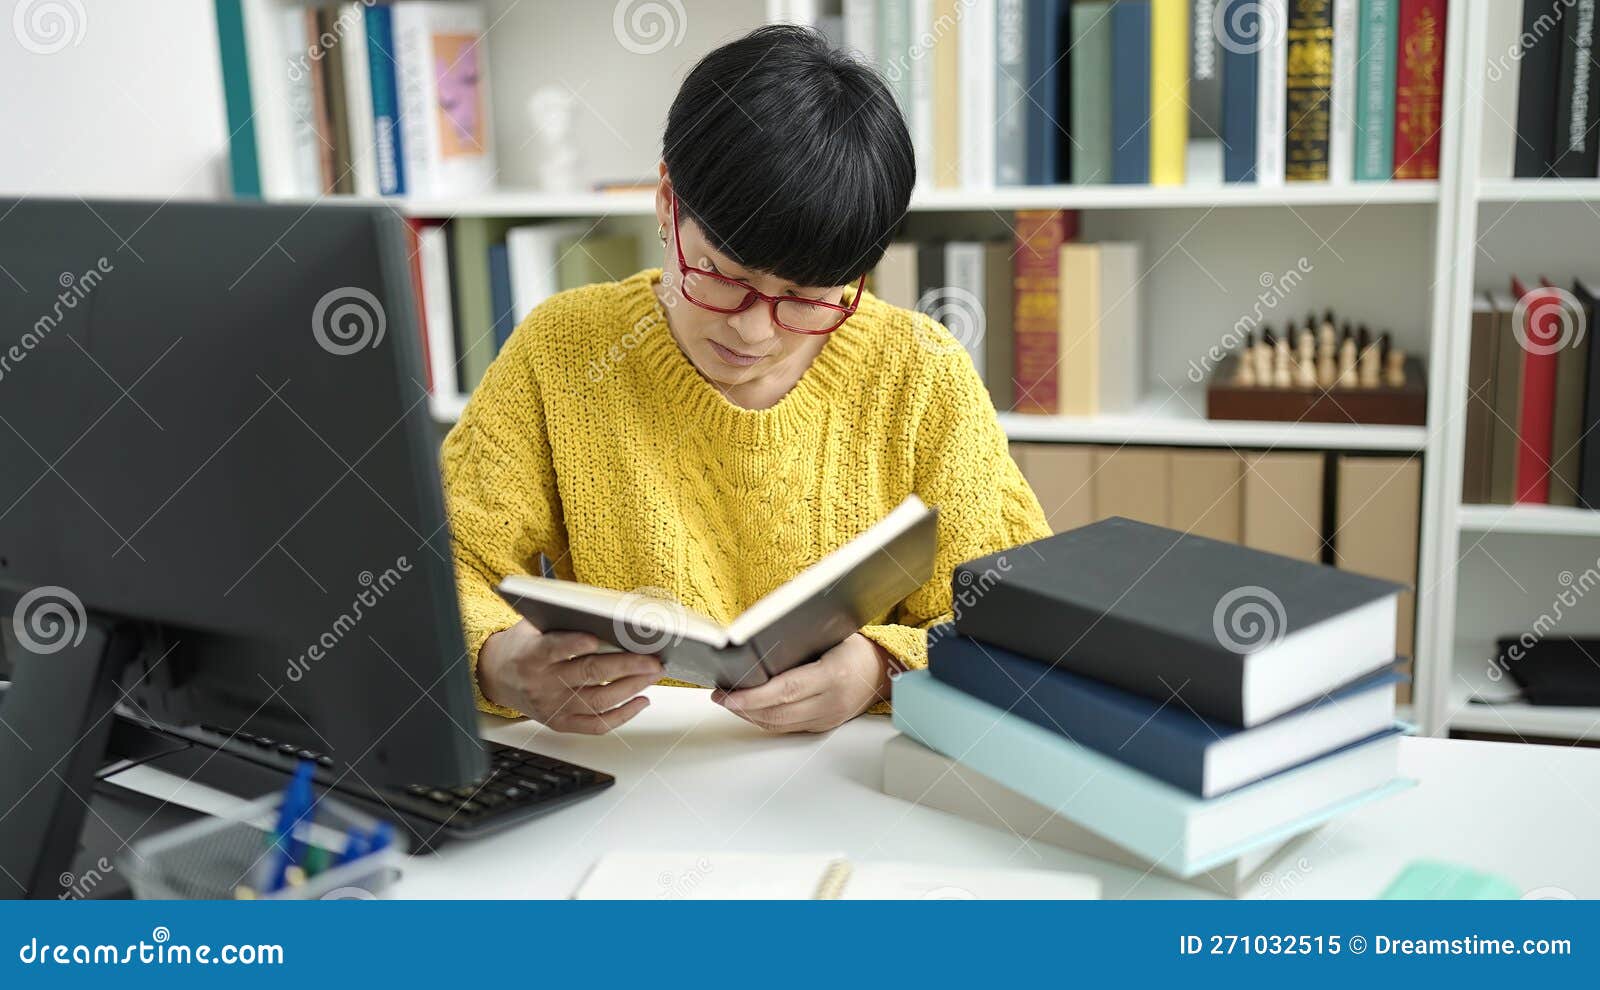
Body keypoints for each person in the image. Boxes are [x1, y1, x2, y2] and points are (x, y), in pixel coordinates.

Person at [442, 25, 1049, 735]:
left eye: (807, 297)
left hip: (851, 780)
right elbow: (437, 565)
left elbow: (1021, 620)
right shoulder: (563, 351)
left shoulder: (919, 374)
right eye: (725, 278)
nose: (754, 331)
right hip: (627, 775)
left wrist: (879, 668)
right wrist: (499, 658)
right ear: (667, 203)